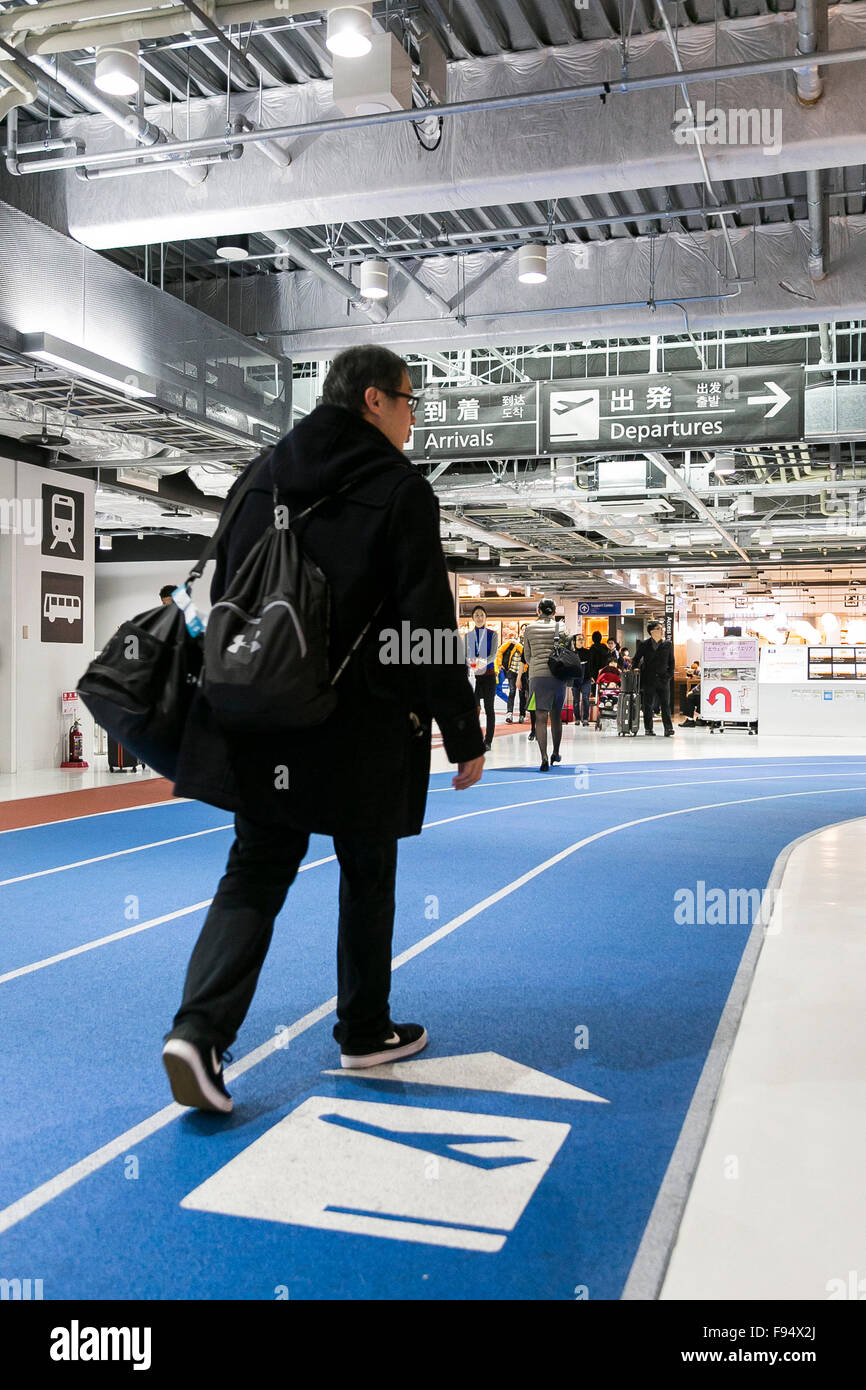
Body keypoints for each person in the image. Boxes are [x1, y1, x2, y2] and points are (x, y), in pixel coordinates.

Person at [162, 344, 485, 1112]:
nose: (413, 417)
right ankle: (364, 1030)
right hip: (361, 723)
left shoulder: (259, 474)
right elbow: (424, 620)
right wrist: (462, 730)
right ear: (373, 401)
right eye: (408, 401)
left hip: (264, 711)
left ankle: (199, 1031)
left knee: (256, 866)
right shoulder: (397, 489)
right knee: (366, 870)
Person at [521, 598, 569, 771]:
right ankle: (556, 752)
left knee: (541, 718)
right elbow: (566, 651)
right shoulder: (561, 627)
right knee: (556, 716)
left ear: (538, 611)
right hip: (557, 677)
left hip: (537, 677)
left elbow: (527, 656)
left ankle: (543, 757)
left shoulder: (529, 629)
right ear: (554, 612)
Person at [633, 620, 675, 736]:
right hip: (648, 679)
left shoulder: (667, 644)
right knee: (648, 705)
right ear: (652, 632)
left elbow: (672, 662)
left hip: (663, 679)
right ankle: (648, 729)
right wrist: (635, 668)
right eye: (659, 629)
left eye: (662, 629)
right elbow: (636, 659)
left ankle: (668, 728)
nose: (662, 631)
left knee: (665, 705)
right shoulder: (644, 644)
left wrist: (669, 675)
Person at [467, 605, 497, 750]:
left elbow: (494, 655)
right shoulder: (468, 636)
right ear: (473, 618)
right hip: (475, 677)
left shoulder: (493, 634)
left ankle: (488, 741)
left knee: (489, 709)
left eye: (481, 615)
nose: (479, 617)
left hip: (489, 676)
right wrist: (473, 664)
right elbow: (465, 656)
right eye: (476, 615)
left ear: (485, 617)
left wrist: (483, 662)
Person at [497, 630, 525, 723]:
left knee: (522, 694)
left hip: (522, 673)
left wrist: (517, 644)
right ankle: (509, 714)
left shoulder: (523, 645)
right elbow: (500, 651)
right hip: (512, 672)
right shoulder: (509, 644)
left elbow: (524, 652)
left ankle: (522, 715)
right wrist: (499, 664)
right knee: (512, 691)